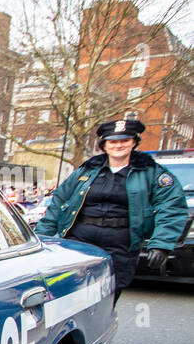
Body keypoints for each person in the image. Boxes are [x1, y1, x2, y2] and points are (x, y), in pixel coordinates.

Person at [36, 118, 187, 304]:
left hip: (121, 244)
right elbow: (59, 201)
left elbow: (171, 206)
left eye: (124, 140)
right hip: (79, 240)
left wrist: (162, 243)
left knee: (108, 296)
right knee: (71, 294)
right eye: (113, 141)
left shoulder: (151, 172)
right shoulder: (87, 170)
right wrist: (42, 236)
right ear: (104, 145)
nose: (118, 145)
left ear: (134, 142)